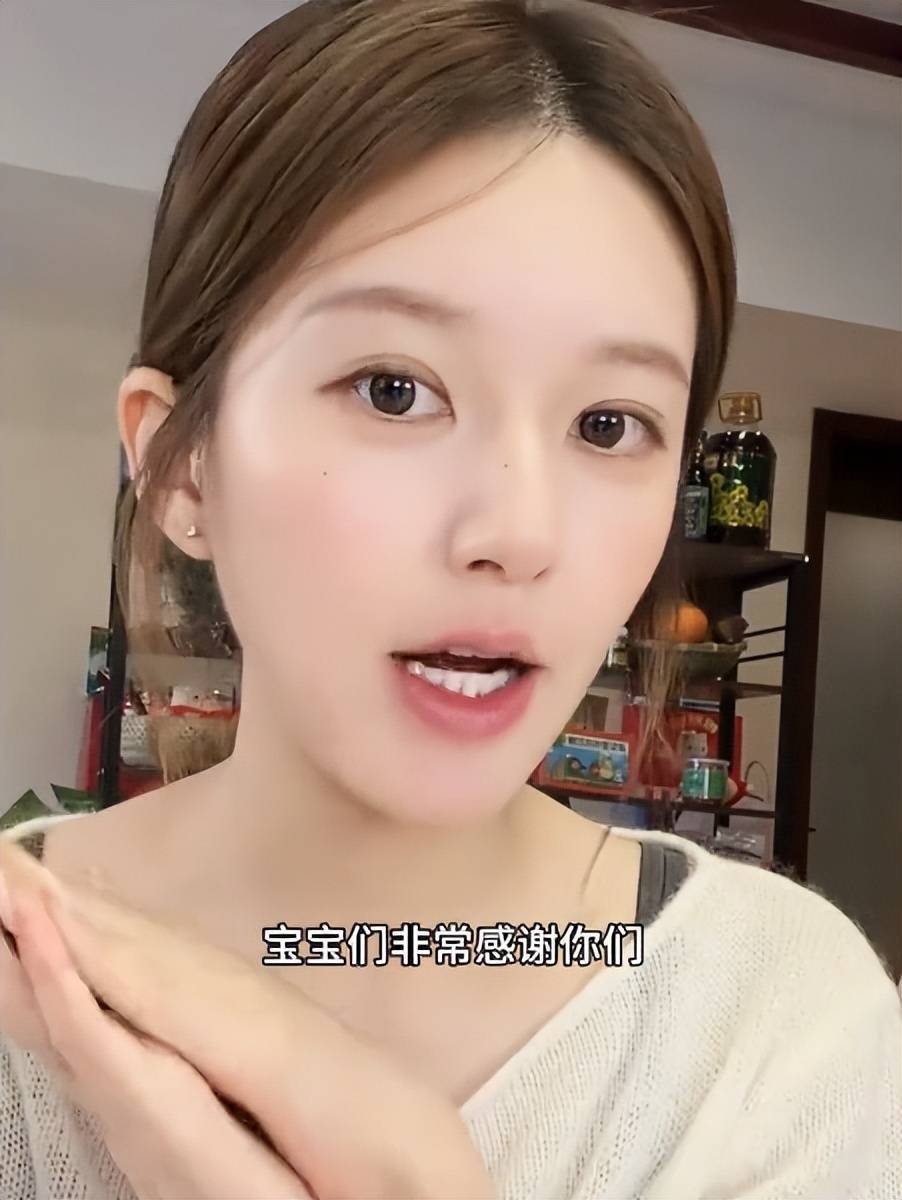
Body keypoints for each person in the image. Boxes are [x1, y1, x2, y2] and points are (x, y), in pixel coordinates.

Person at [1, 0, 900, 1196]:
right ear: (181, 468)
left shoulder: (780, 1027)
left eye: (606, 424)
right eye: (393, 390)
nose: (517, 535)